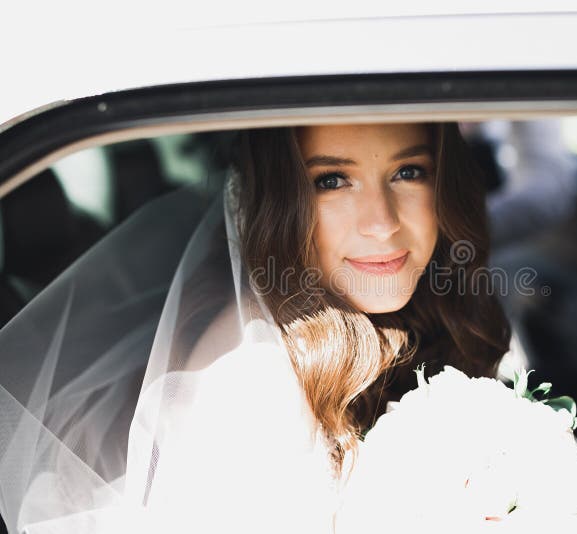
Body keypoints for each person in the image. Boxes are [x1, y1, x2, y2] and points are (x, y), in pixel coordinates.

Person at [0, 123, 512, 533]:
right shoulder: (255, 378)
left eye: (409, 171)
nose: (381, 222)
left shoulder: (386, 316)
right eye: (331, 180)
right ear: (279, 201)